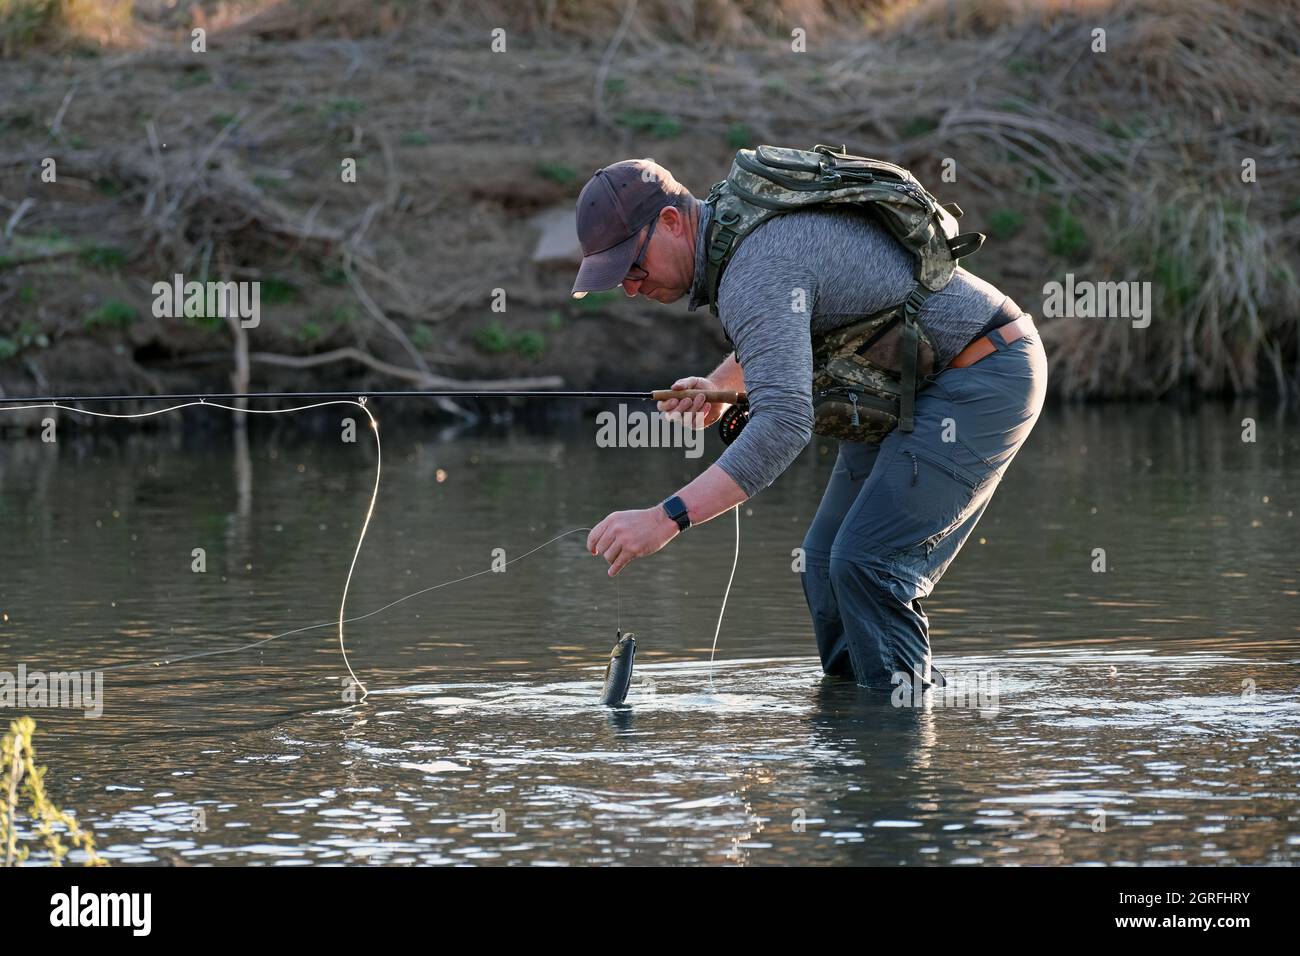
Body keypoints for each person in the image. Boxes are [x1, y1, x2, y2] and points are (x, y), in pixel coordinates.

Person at [573, 157, 1046, 690]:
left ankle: (902, 742)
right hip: (909, 386)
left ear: (671, 222)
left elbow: (784, 423)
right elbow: (786, 327)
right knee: (823, 565)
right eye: (619, 281)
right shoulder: (739, 238)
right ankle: (857, 729)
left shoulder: (753, 266)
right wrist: (721, 387)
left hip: (984, 371)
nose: (631, 288)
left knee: (868, 567)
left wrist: (665, 518)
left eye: (632, 267)